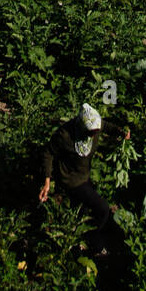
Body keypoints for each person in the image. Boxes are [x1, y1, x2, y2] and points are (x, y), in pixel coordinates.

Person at [38, 103, 130, 256]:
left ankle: (80, 239)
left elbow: (105, 126)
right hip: (71, 179)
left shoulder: (94, 124)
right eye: (91, 133)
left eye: (95, 131)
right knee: (102, 208)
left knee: (82, 210)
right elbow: (48, 152)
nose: (94, 135)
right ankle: (92, 240)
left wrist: (120, 132)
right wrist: (47, 181)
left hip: (84, 175)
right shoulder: (65, 135)